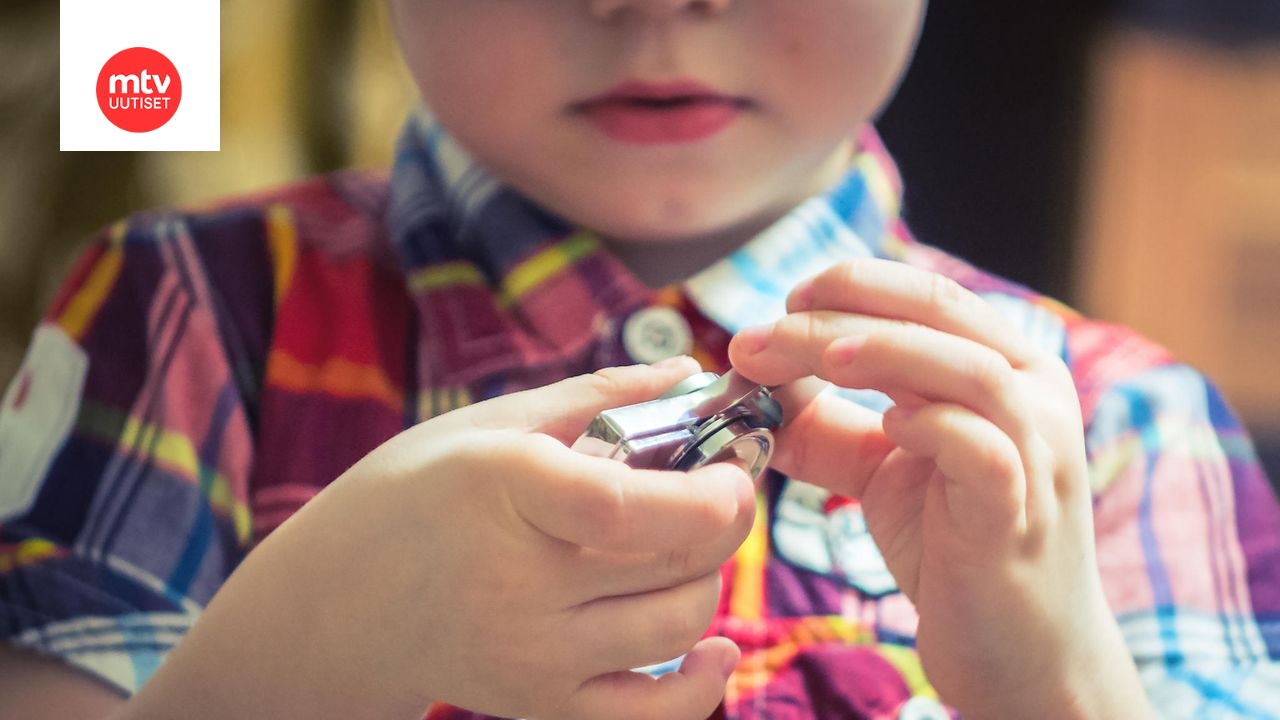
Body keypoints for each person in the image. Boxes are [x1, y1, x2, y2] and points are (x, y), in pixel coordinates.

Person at [2, 1, 1278, 717]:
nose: (659, 1)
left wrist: (1056, 681)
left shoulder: (1125, 423)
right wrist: (302, 650)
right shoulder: (183, 317)